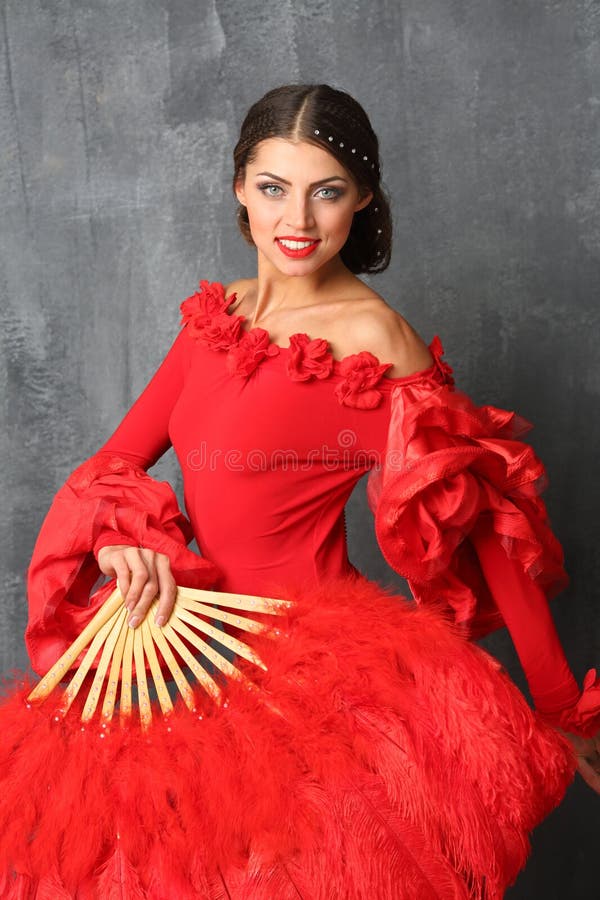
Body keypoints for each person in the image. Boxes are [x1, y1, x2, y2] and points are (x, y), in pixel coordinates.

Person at [2, 83, 599, 899]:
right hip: (192, 659)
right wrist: (119, 539)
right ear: (240, 188)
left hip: (319, 685)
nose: (299, 220)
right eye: (274, 187)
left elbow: (486, 523)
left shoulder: (374, 340)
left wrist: (563, 707)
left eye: (328, 192)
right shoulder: (216, 317)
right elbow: (115, 465)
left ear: (363, 200)